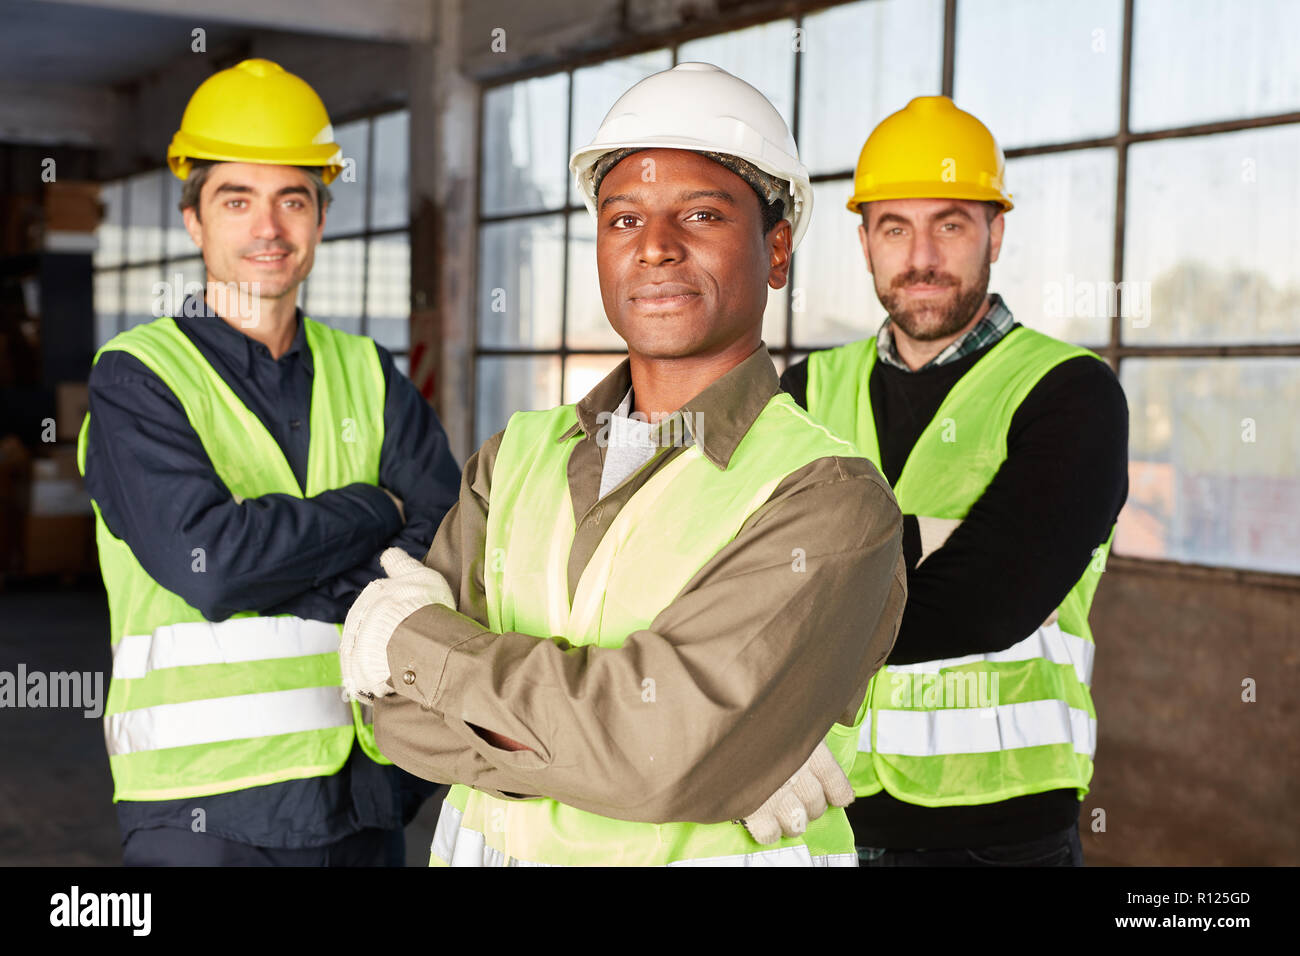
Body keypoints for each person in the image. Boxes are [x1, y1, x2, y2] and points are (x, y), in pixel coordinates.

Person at [341, 62, 907, 866]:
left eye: (702, 215)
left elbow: (652, 752)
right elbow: (394, 720)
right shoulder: (514, 458)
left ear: (777, 250)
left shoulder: (827, 499)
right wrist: (708, 760)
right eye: (623, 220)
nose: (656, 250)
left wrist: (415, 645)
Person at [77, 58, 460, 866]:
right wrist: (374, 511)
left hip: (370, 790)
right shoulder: (136, 378)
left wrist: (288, 576)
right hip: (205, 808)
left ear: (321, 215)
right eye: (236, 199)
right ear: (193, 219)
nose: (269, 229)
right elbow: (211, 565)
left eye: (293, 198)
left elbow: (451, 544)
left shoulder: (367, 369)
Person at [780, 95, 1129, 866]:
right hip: (822, 816)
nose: (922, 255)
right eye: (895, 227)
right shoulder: (805, 391)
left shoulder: (1070, 393)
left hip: (1001, 835)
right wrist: (927, 540)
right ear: (865, 241)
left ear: (995, 232)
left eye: (951, 223)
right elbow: (728, 564)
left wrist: (817, 579)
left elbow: (988, 603)